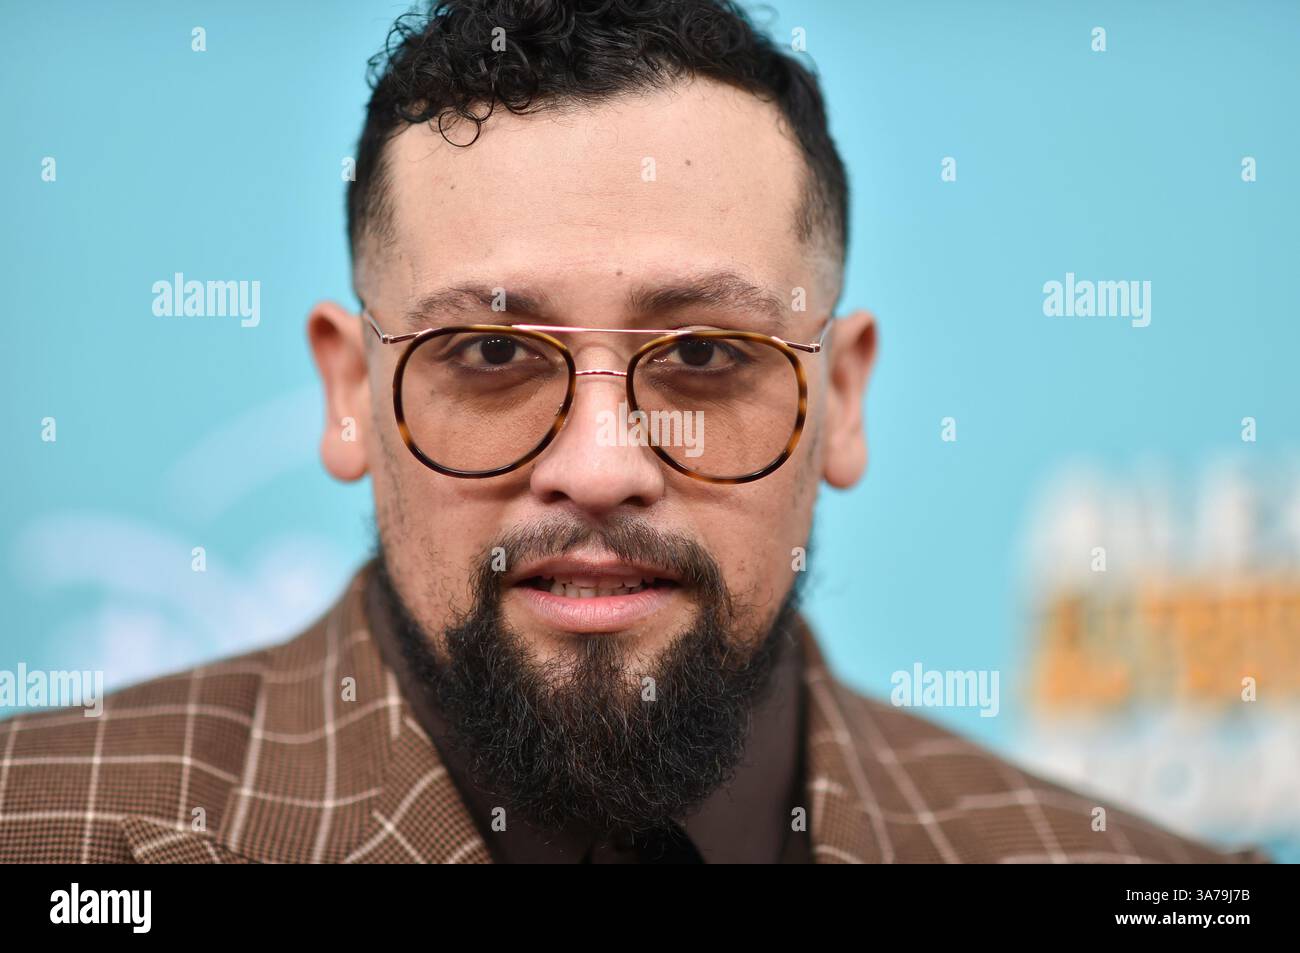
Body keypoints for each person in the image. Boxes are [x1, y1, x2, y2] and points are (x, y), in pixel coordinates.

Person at [0, 0, 1268, 864]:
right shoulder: (43, 828)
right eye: (492, 352)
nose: (601, 464)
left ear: (842, 398)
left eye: (705, 355)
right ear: (348, 393)